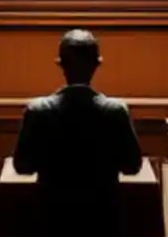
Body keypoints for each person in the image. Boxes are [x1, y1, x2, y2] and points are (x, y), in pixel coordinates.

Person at [12, 29, 142, 192]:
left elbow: (23, 166)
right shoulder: (116, 112)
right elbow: (132, 166)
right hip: (102, 206)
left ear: (61, 64)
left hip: (53, 206)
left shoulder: (37, 111)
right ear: (96, 64)